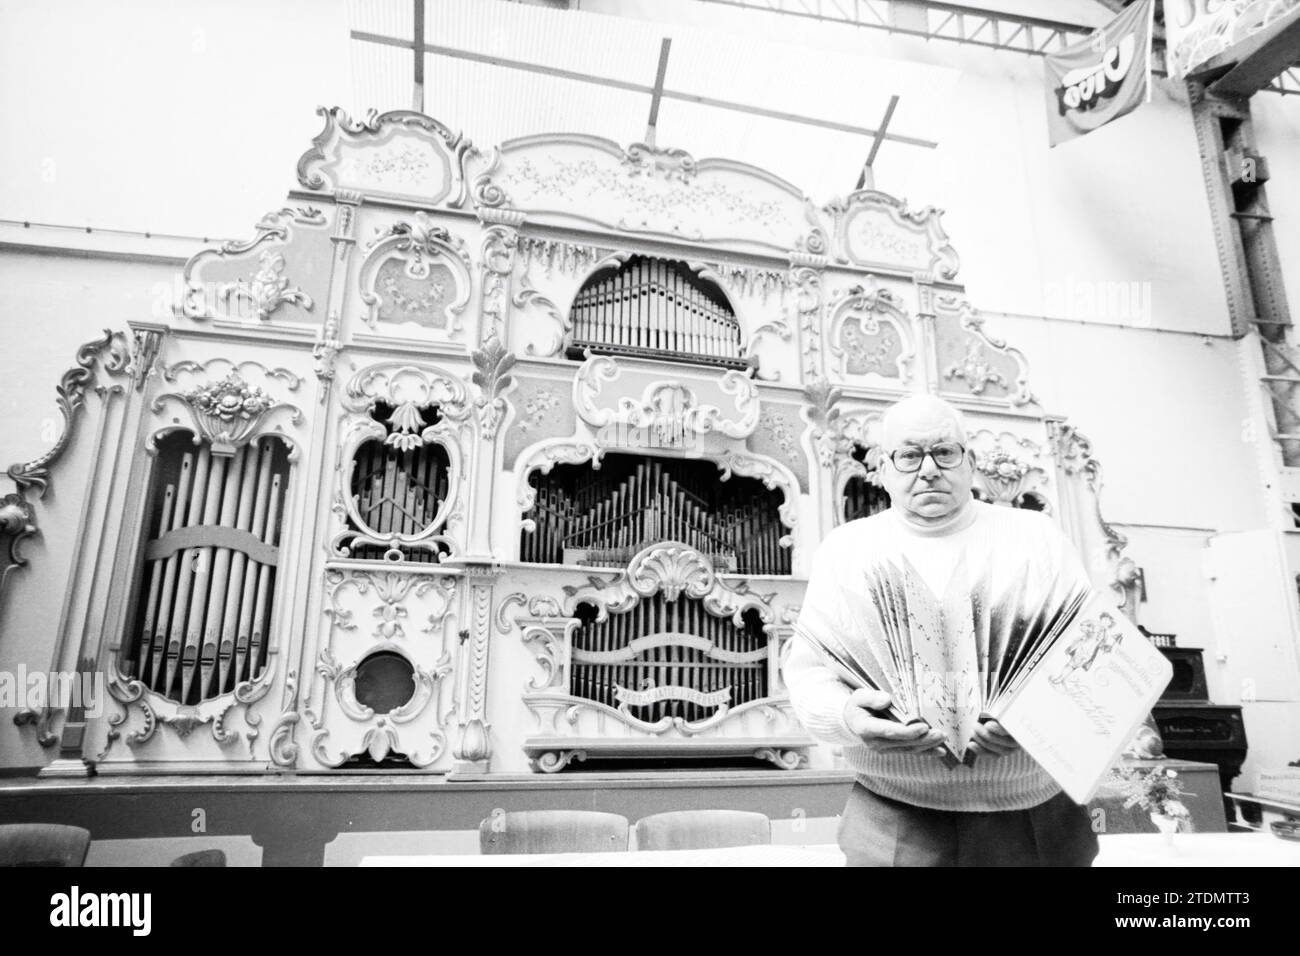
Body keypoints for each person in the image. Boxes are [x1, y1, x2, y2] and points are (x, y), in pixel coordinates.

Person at [784, 394, 1100, 866]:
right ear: (885, 469)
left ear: (970, 461)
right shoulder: (846, 549)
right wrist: (848, 716)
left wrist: (1039, 721)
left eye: (944, 452)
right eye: (909, 455)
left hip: (1034, 810)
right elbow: (809, 673)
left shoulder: (1038, 539)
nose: (928, 469)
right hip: (893, 812)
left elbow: (1096, 659)